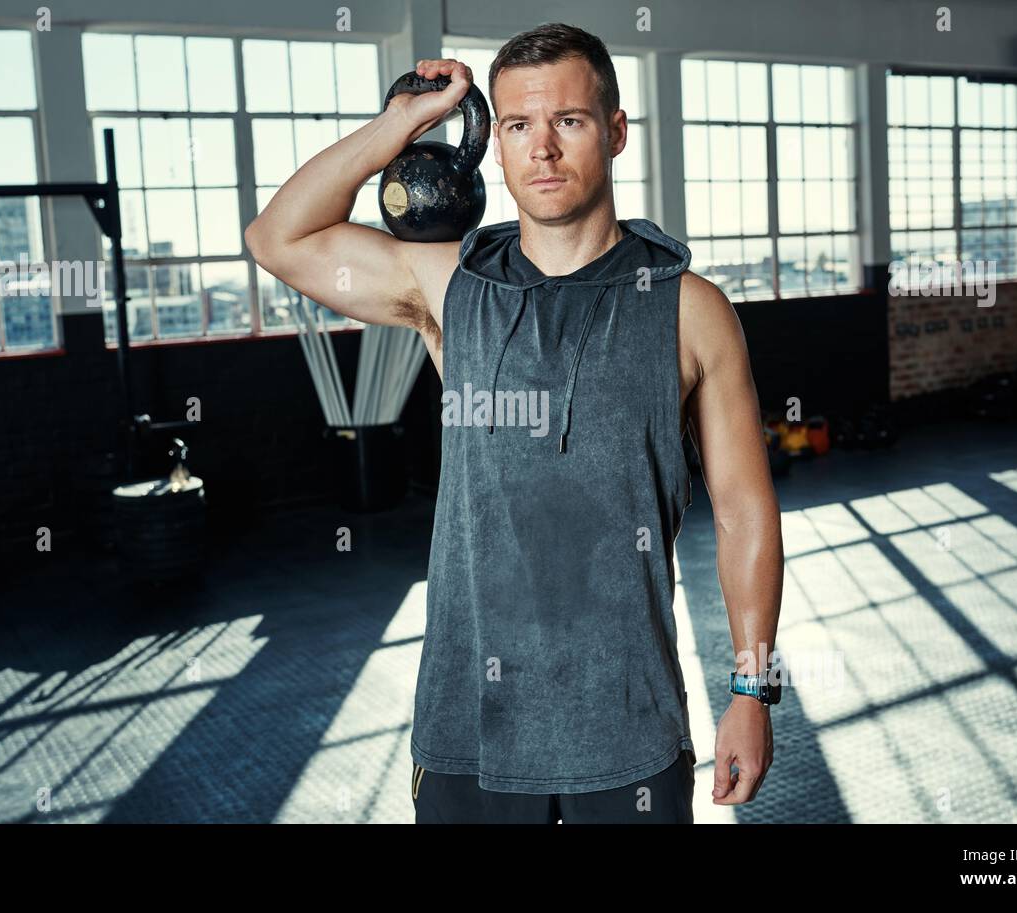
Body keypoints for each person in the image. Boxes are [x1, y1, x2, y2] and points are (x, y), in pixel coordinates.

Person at [246, 22, 783, 824]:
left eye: (568, 121)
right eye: (517, 125)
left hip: (628, 728)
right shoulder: (448, 285)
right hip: (470, 725)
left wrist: (751, 690)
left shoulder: (689, 310)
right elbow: (277, 237)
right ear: (493, 144)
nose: (543, 150)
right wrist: (402, 124)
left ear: (616, 131)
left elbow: (744, 510)